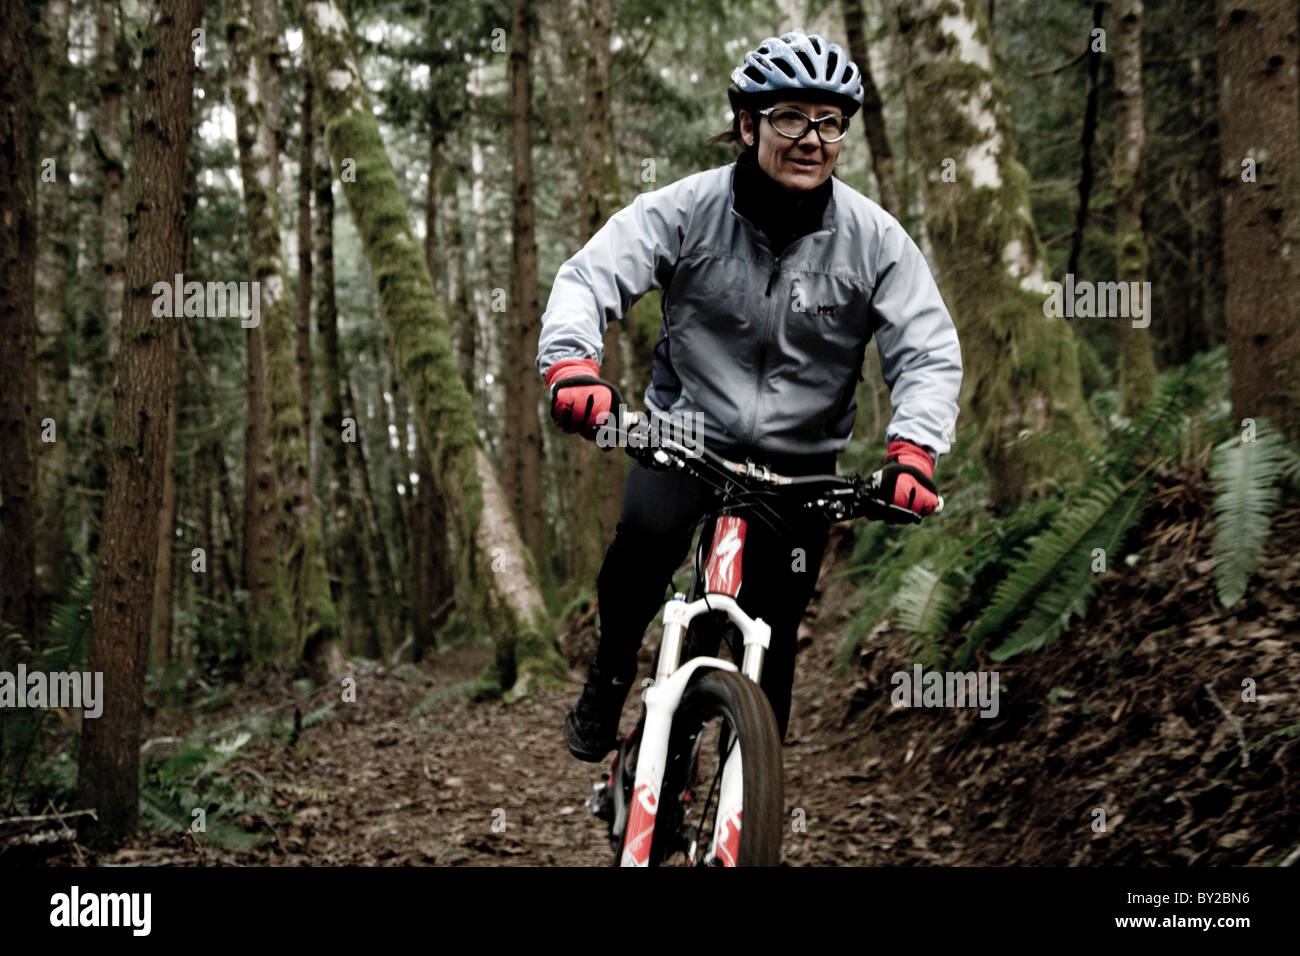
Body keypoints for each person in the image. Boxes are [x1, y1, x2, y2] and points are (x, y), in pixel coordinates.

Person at [536, 31, 963, 762]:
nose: (812, 139)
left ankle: (741, 800)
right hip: (685, 437)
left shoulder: (876, 241)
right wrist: (573, 366)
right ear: (747, 124)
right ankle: (609, 676)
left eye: (830, 122)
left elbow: (926, 349)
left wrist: (914, 450)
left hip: (802, 468)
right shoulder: (685, 210)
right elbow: (590, 277)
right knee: (640, 552)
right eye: (791, 117)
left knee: (774, 658)